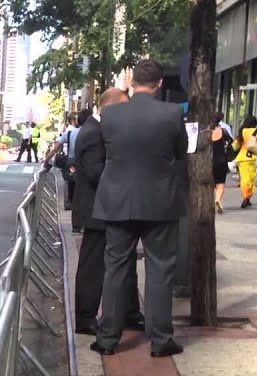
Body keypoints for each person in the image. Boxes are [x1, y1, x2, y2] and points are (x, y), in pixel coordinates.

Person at [90, 58, 187, 359]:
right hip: (160, 201)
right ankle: (161, 340)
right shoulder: (171, 113)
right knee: (160, 270)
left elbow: (108, 151)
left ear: (131, 82)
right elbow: (180, 151)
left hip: (117, 200)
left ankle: (107, 338)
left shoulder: (111, 115)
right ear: (159, 84)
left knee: (115, 268)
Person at [72, 89, 143, 335]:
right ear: (110, 109)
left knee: (124, 262)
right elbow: (95, 172)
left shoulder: (101, 130)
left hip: (110, 209)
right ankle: (85, 317)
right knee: (93, 267)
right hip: (97, 212)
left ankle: (129, 312)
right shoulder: (93, 133)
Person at [234, 114, 257, 209]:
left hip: (243, 159)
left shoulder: (243, 131)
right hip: (255, 158)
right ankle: (248, 198)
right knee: (252, 179)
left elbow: (235, 145)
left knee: (245, 178)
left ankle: (245, 196)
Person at [212, 113, 234, 214]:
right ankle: (218, 200)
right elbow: (231, 144)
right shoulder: (224, 131)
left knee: (210, 184)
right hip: (221, 161)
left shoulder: (205, 133)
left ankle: (209, 202)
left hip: (208, 161)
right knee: (220, 184)